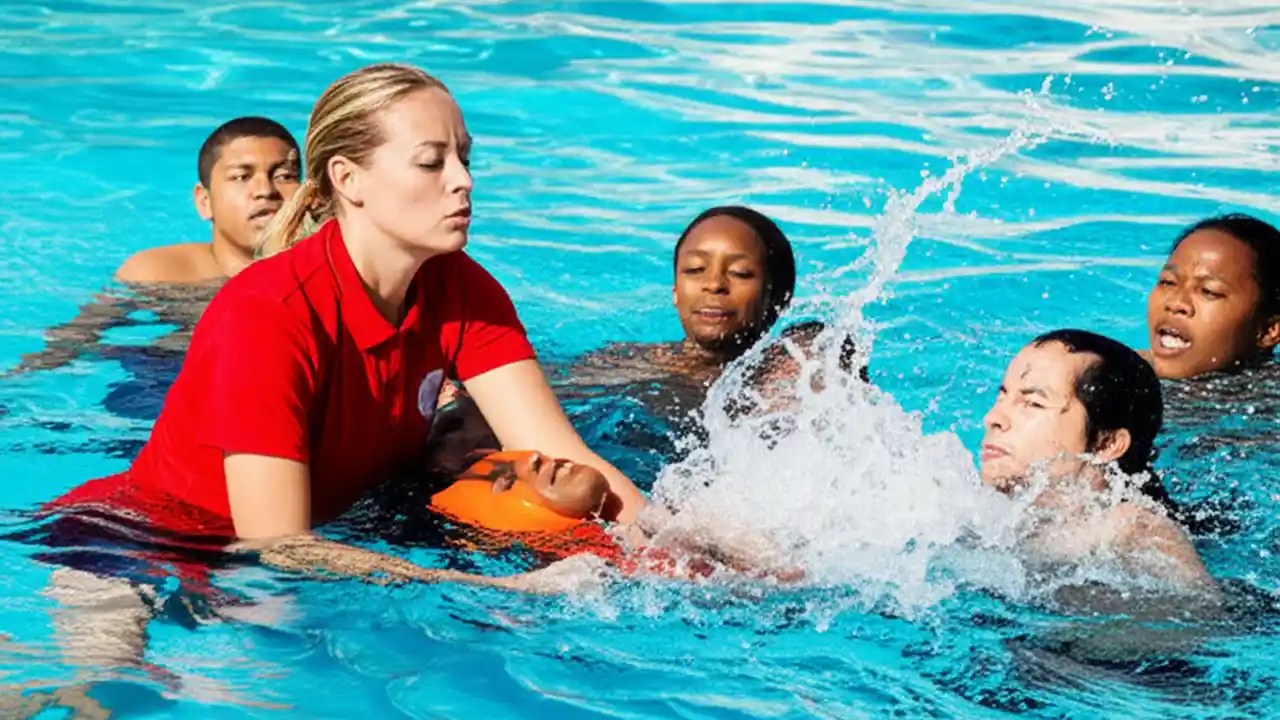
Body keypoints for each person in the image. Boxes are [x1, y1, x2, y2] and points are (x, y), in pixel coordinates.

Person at [38, 62, 646, 582]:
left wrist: (687, 553)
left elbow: (565, 452)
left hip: (311, 545)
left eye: (464, 157)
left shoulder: (459, 284)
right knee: (96, 695)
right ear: (347, 179)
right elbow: (276, 546)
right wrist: (500, 591)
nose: (464, 181)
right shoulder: (268, 313)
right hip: (133, 545)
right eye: (432, 162)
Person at [4, 117, 302, 390]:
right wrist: (14, 384)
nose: (265, 190)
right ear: (204, 201)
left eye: (285, 176)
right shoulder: (158, 272)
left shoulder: (328, 271)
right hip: (164, 388)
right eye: (242, 176)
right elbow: (73, 340)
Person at [980, 329, 1213, 590]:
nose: (994, 418)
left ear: (1106, 444)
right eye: (1003, 395)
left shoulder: (1131, 531)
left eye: (1033, 403)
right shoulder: (981, 509)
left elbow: (1207, 619)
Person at [1146, 213, 1280, 380]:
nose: (1175, 302)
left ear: (1268, 331)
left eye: (1209, 291)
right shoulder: (1119, 370)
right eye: (1168, 282)